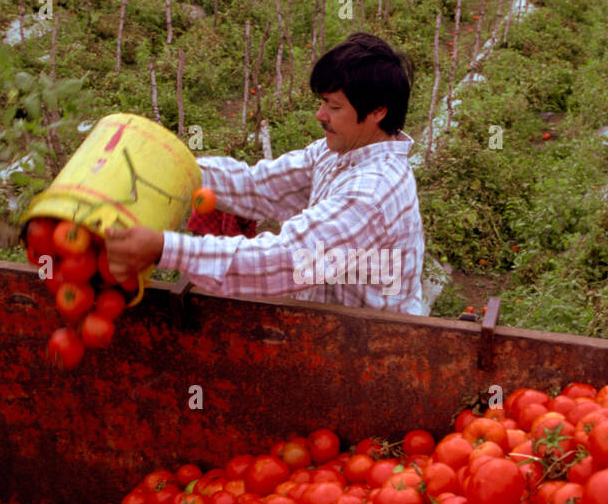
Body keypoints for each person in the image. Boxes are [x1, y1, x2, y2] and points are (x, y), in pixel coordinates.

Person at [104, 32, 426, 314]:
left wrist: (164, 248)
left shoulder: (373, 193)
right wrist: (173, 167)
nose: (320, 114)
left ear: (377, 111)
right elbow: (258, 185)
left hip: (371, 347)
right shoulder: (338, 152)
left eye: (334, 107)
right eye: (322, 102)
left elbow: (286, 261)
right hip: (330, 325)